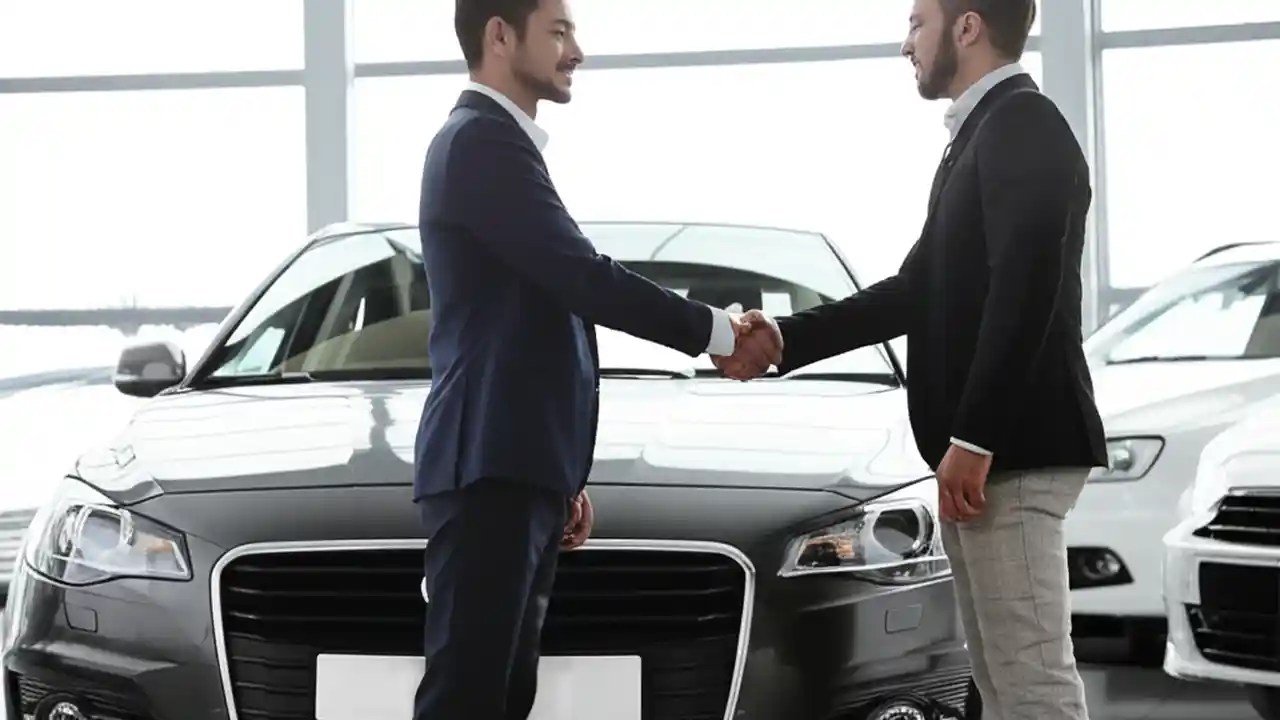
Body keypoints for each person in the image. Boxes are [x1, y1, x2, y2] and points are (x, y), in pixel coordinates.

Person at [719, 1, 1107, 718]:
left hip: (1011, 454)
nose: (907, 45)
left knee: (1031, 682)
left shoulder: (1022, 125)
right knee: (1001, 684)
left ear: (967, 27)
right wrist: (786, 339)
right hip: (991, 457)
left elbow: (1027, 289)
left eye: (916, 22)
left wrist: (976, 438)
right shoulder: (982, 134)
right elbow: (918, 290)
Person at [412, 1, 781, 718]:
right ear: (499, 35)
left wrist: (560, 476)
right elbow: (582, 278)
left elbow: (536, 313)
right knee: (468, 698)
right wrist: (720, 332)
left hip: (513, 466)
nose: (576, 50)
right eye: (559, 32)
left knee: (502, 696)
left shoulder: (495, 144)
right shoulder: (480, 143)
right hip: (488, 469)